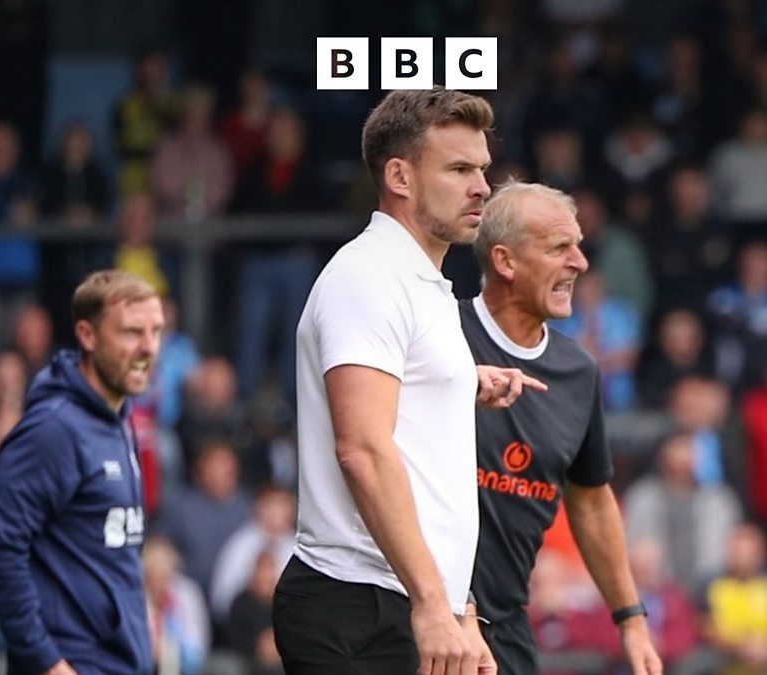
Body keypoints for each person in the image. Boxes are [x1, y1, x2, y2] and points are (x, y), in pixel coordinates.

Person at [272, 88, 543, 675]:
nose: (481, 187)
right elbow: (363, 449)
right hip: (361, 606)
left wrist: (460, 382)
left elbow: (403, 407)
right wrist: (431, 603)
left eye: (483, 170)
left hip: (409, 604)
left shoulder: (421, 280)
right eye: (459, 169)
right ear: (400, 175)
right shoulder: (369, 276)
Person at [460, 180, 662, 675]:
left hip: (504, 625)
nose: (581, 263)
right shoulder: (439, 336)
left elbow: (591, 499)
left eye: (579, 245)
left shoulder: (578, 371)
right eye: (559, 248)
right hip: (417, 618)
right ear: (505, 262)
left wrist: (631, 620)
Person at [0, 270, 164, 675]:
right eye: (132, 332)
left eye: (156, 331)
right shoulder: (53, 430)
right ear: (87, 335)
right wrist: (46, 662)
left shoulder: (118, 419)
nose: (148, 348)